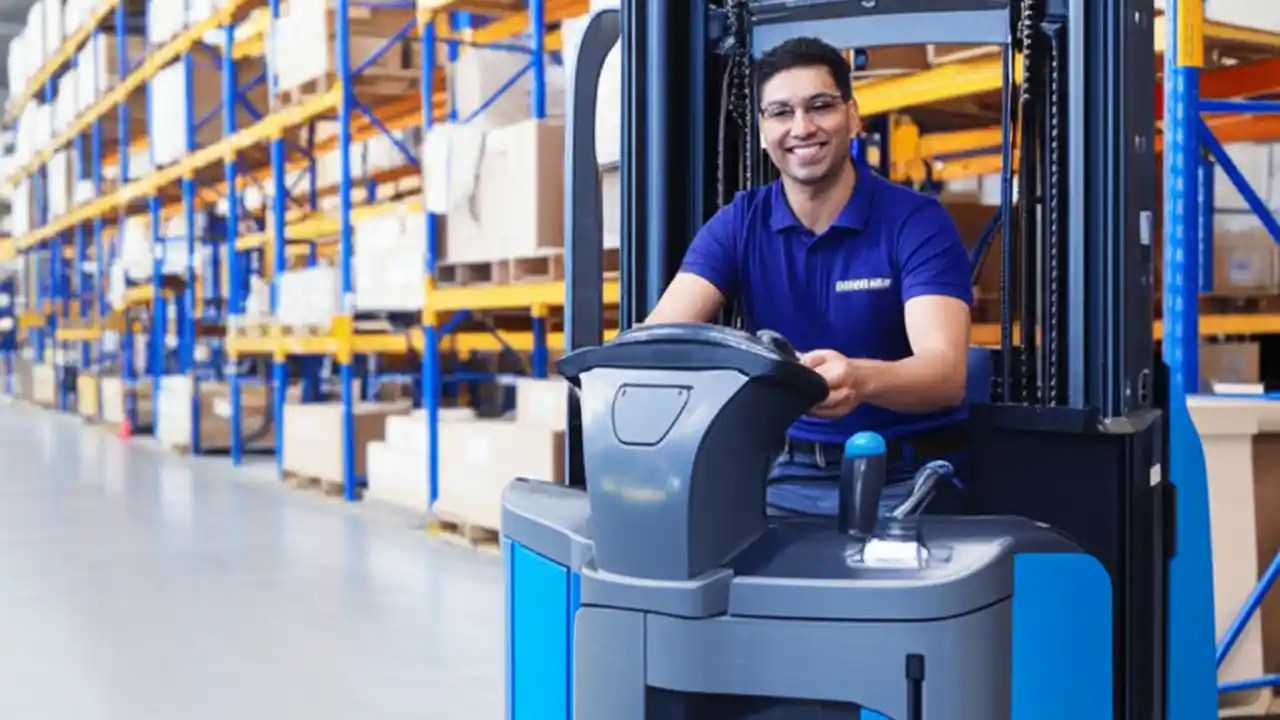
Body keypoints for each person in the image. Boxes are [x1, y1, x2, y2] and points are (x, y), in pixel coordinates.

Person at [645, 37, 974, 518]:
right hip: (783, 473)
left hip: (905, 475)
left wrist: (859, 379)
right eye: (780, 112)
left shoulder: (915, 222)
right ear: (761, 130)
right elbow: (661, 337)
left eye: (820, 106)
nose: (801, 128)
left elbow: (945, 374)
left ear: (853, 116)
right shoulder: (740, 223)